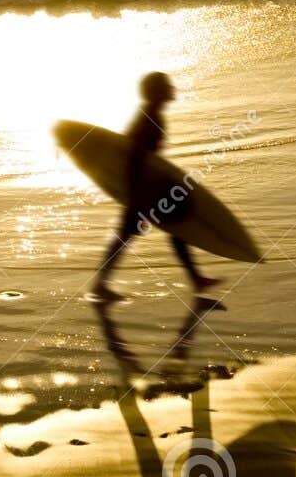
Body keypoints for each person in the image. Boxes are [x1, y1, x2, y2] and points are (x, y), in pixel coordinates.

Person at [91, 71, 222, 304]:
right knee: (131, 235)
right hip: (140, 190)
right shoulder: (150, 120)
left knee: (175, 227)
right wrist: (136, 201)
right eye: (167, 86)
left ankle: (195, 279)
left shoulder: (150, 115)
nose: (173, 88)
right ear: (158, 92)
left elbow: (134, 153)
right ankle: (99, 286)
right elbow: (134, 160)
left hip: (144, 188)